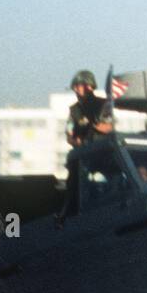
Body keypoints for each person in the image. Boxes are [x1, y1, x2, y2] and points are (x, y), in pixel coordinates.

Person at [57, 70, 115, 226]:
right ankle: (69, 213)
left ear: (90, 87)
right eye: (75, 86)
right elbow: (69, 134)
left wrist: (93, 124)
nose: (77, 89)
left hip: (103, 151)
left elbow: (108, 127)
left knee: (117, 174)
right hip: (84, 153)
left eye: (80, 86)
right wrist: (76, 141)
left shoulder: (103, 105)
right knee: (75, 180)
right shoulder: (74, 110)